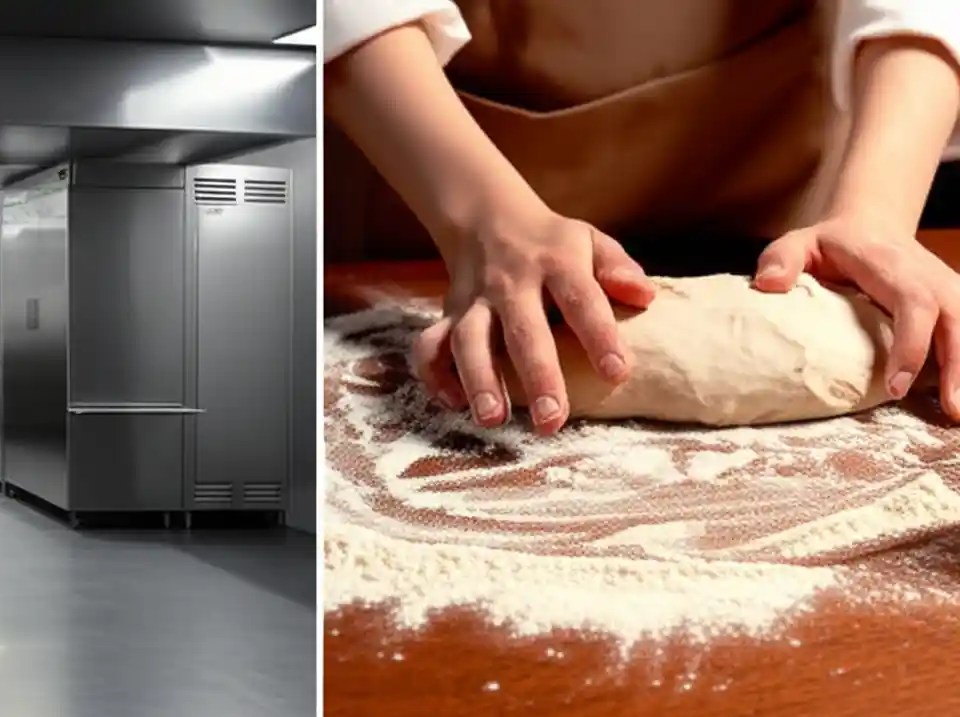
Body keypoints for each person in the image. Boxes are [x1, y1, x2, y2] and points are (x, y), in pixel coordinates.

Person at [324, 0, 960, 435]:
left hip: (760, 145)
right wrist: (474, 213)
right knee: (509, 343)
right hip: (429, 144)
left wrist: (876, 211)